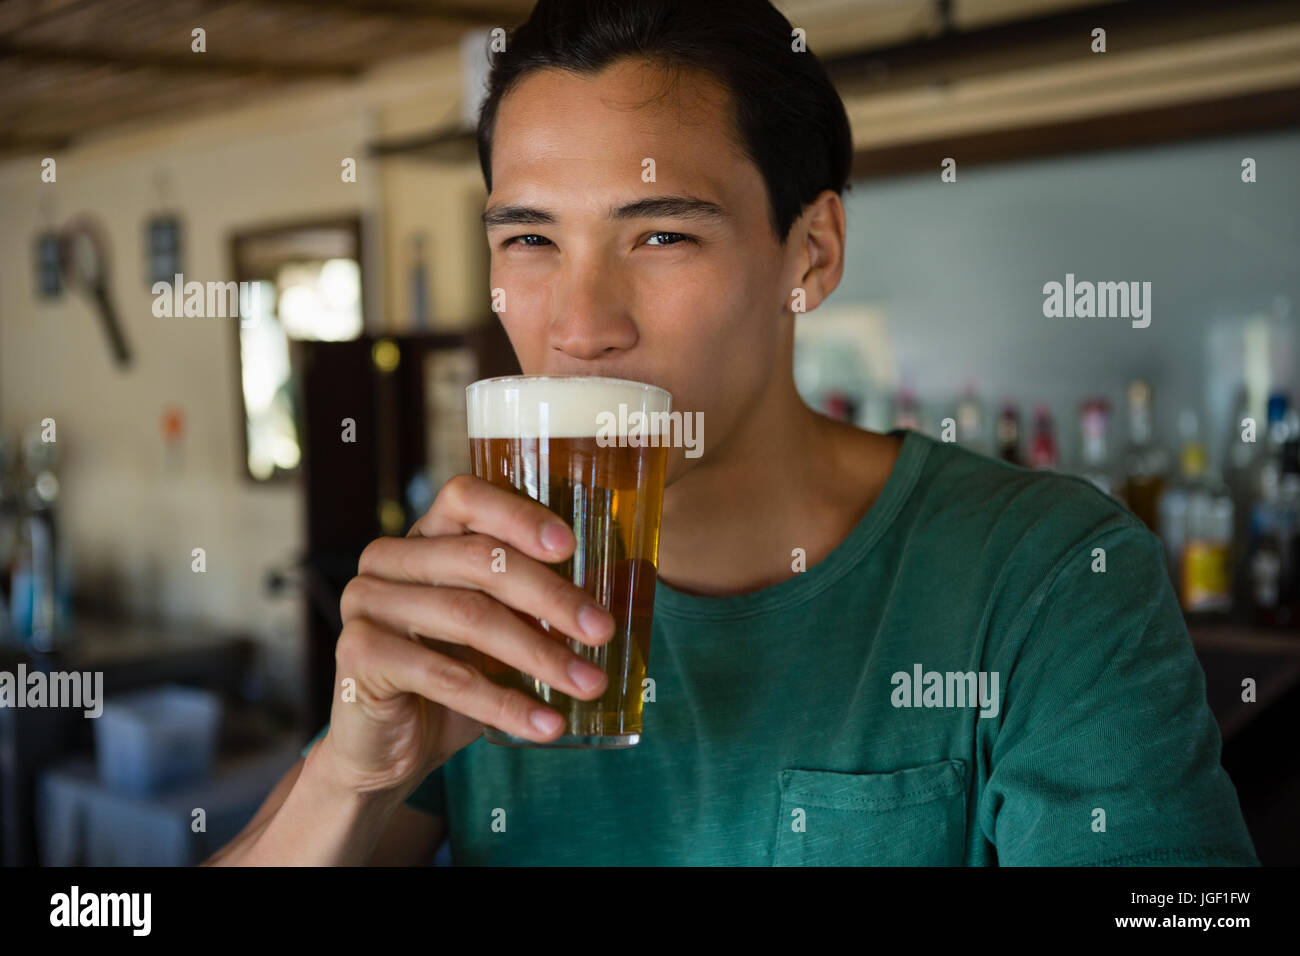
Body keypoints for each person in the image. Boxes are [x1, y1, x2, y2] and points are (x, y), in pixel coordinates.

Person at [204, 0, 1258, 866]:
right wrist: (351, 776)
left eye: (660, 232)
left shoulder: (1044, 576)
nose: (579, 324)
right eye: (530, 237)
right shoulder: (468, 595)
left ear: (810, 251)